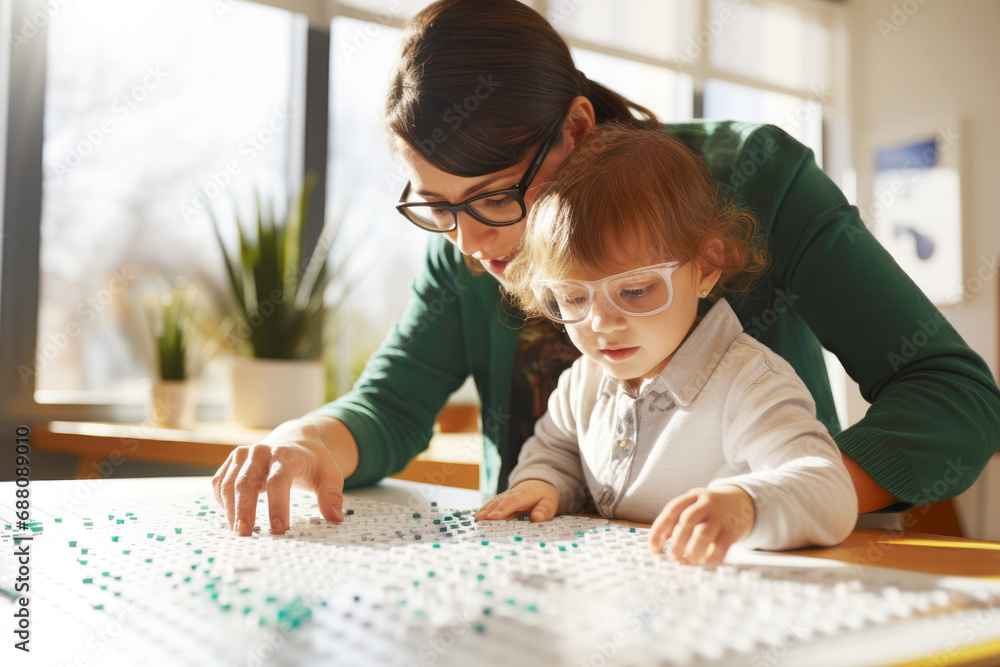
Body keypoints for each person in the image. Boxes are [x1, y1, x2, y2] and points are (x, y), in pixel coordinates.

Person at [212, 0, 1000, 537]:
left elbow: (955, 397)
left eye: (494, 196)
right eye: (439, 206)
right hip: (547, 594)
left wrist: (783, 499)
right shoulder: (465, 241)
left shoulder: (752, 178)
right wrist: (303, 439)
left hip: (750, 579)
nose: (470, 243)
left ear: (577, 127)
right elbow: (388, 408)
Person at [472, 126, 858, 564]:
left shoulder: (749, 384)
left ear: (706, 267)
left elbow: (829, 490)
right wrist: (542, 483)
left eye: (635, 290)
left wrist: (745, 505)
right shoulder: (585, 379)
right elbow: (556, 450)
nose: (600, 322)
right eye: (573, 298)